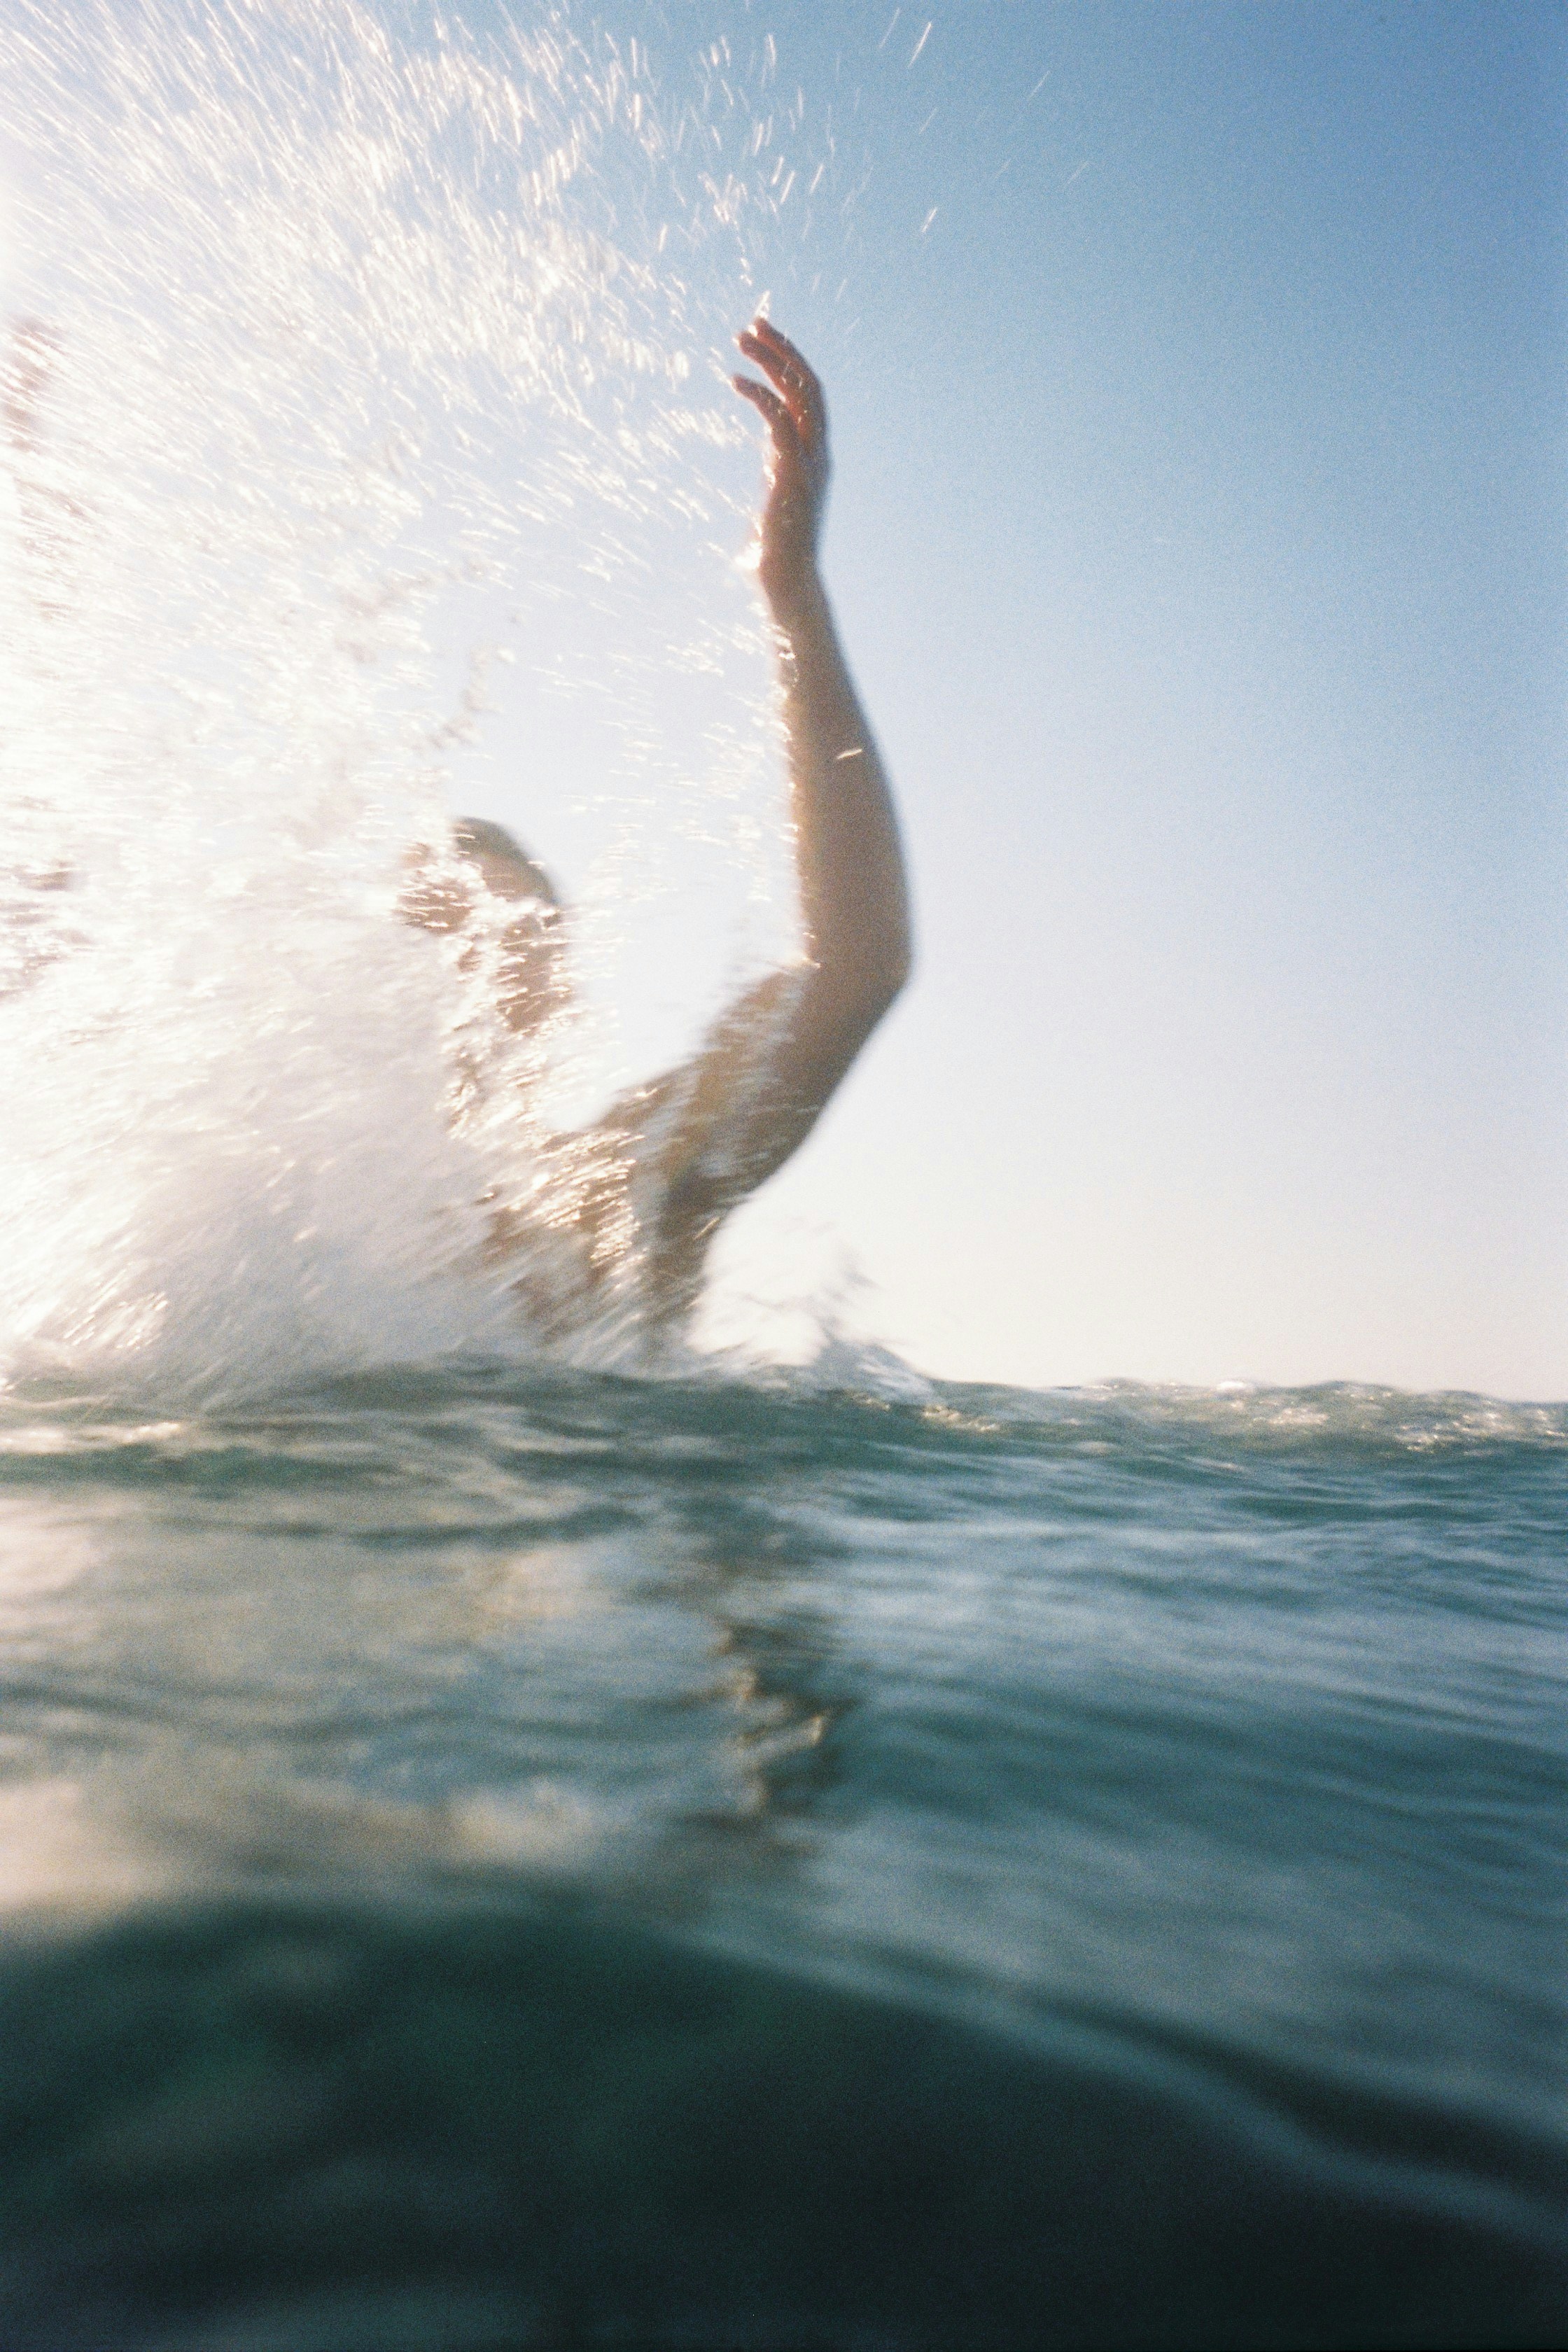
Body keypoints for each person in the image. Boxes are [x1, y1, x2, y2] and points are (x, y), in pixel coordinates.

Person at [409, 318, 911, 1339]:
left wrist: (793, 599)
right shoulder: (251, 1227)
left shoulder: (606, 1197)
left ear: (558, 996)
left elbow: (855, 972)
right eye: (451, 941)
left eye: (520, 950)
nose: (488, 980)